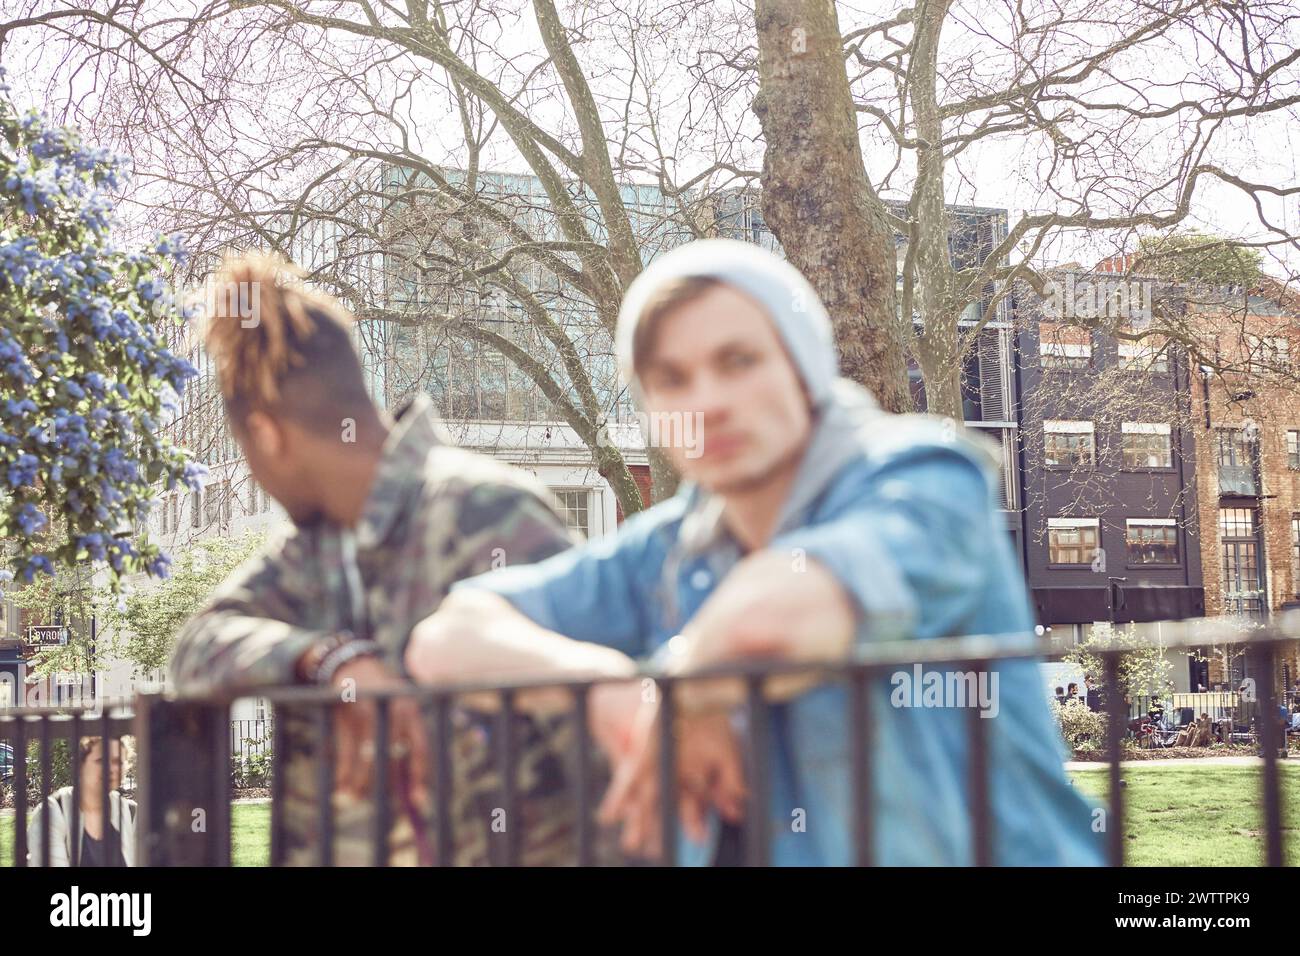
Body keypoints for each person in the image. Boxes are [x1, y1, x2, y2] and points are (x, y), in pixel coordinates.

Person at [406, 238, 1105, 866]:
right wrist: (609, 689)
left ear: (804, 368)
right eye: (671, 380)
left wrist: (691, 685)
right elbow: (446, 638)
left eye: (737, 362)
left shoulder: (923, 474)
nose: (705, 403)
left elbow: (783, 614)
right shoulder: (674, 545)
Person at [169, 254, 607, 866]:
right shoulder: (310, 551)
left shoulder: (486, 513)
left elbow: (603, 749)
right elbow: (196, 649)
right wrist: (330, 659)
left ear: (267, 436)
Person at [27, 738, 135, 866]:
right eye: (101, 760)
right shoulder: (51, 813)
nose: (111, 769)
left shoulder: (131, 813)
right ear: (81, 765)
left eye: (118, 762)